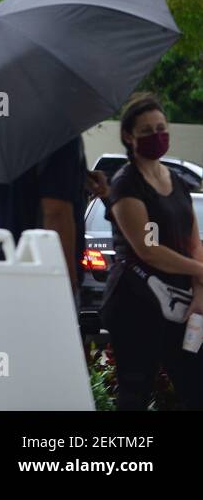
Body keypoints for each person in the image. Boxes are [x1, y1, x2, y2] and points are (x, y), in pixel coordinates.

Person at [100, 93, 203, 410]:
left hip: (183, 302)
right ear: (129, 137)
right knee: (136, 391)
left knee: (195, 387)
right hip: (136, 301)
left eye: (161, 127)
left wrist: (200, 289)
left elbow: (194, 242)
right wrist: (200, 271)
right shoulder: (126, 185)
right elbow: (148, 249)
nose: (157, 136)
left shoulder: (177, 181)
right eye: (146, 131)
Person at [0, 136, 106, 299]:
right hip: (40, 275)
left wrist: (78, 176)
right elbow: (56, 213)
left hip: (1, 266)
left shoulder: (9, 134)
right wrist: (67, 284)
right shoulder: (60, 135)